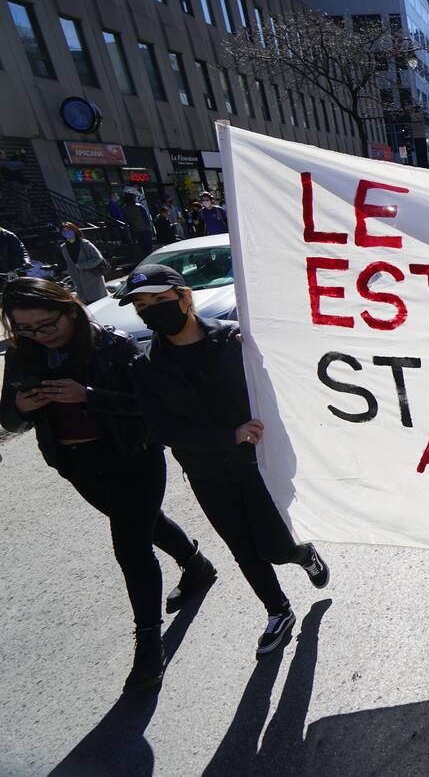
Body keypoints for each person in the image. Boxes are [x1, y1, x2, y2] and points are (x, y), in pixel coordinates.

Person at [0, 278, 216, 693]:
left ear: (69, 309)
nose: (37, 337)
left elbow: (151, 408)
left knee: (131, 549)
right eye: (23, 329)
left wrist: (89, 396)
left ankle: (149, 644)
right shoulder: (22, 354)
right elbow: (9, 419)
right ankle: (196, 564)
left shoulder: (112, 345)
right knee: (144, 524)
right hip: (75, 464)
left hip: (132, 458)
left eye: (45, 326)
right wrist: (20, 407)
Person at [125, 266, 329, 657]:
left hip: (259, 467)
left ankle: (303, 554)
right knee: (241, 548)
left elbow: (282, 382)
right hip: (207, 473)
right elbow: (163, 429)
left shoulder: (235, 339)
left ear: (185, 297)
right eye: (141, 305)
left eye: (158, 300)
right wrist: (226, 436)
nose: (149, 311)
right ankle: (277, 611)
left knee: (274, 547)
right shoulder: (144, 364)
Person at [59, 222, 109, 304]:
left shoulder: (84, 243)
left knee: (99, 303)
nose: (67, 232)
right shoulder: (64, 247)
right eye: (64, 231)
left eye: (69, 230)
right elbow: (69, 264)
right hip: (78, 282)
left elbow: (98, 258)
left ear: (74, 230)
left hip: (93, 278)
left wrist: (82, 265)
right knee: (87, 306)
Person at [121, 192, 155, 259]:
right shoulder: (139, 207)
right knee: (148, 250)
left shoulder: (124, 209)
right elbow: (146, 219)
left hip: (135, 232)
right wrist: (150, 229)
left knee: (141, 251)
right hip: (145, 231)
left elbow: (126, 221)